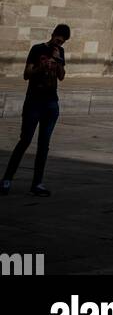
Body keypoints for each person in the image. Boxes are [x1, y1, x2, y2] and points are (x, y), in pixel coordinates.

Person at [1, 24, 70, 197]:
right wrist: (42, 66)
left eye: (62, 41)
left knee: (44, 145)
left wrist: (58, 61)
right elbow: (26, 74)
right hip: (34, 101)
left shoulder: (60, 53)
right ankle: (7, 179)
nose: (59, 42)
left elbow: (61, 76)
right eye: (57, 38)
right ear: (53, 34)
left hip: (51, 103)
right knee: (25, 140)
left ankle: (37, 183)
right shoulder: (37, 49)